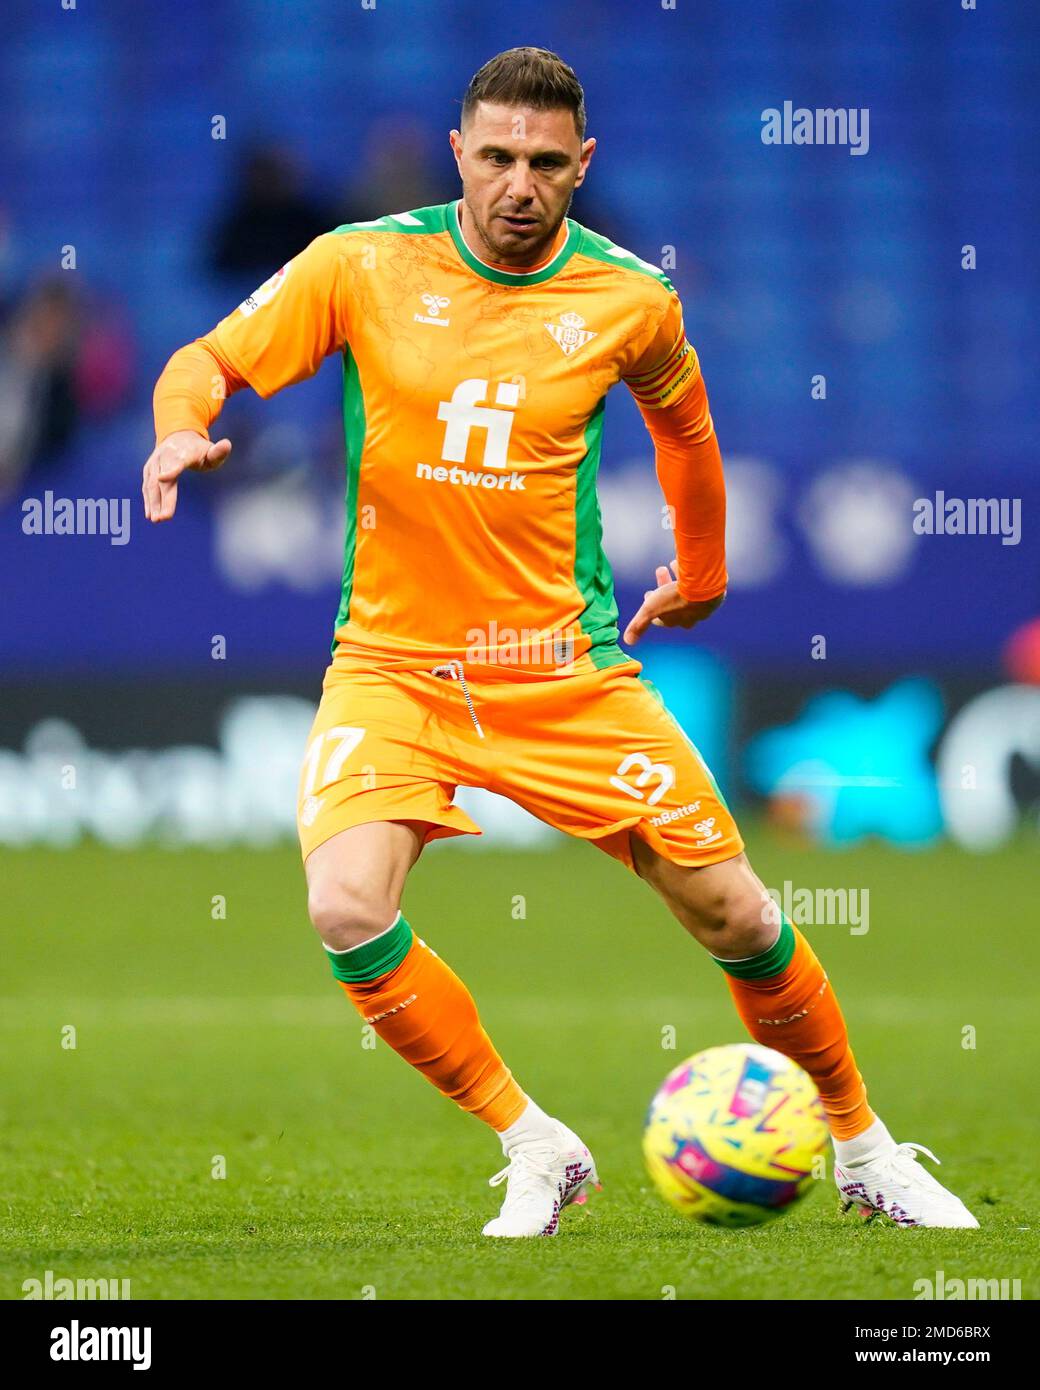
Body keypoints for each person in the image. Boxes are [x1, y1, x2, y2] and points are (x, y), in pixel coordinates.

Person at [144, 47, 977, 1236]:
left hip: (559, 673)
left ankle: (862, 1147)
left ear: (581, 165)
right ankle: (533, 1140)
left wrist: (700, 576)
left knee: (735, 915)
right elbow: (210, 359)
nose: (518, 185)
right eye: (495, 158)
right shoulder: (361, 263)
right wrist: (180, 429)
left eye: (544, 163)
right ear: (457, 154)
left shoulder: (630, 297)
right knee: (343, 908)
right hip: (391, 667)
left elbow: (686, 435)